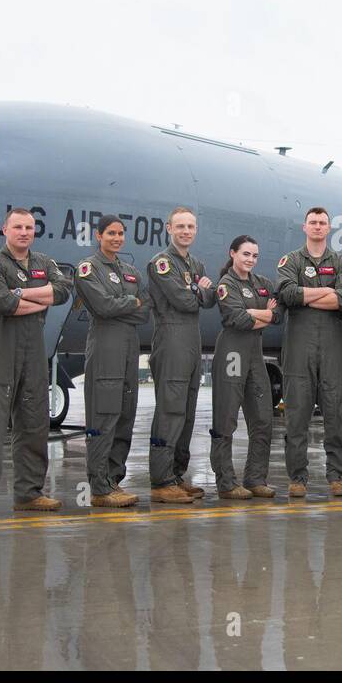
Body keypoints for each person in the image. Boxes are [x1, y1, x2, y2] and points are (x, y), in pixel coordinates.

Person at [0, 207, 73, 517]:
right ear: (5, 230)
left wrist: (21, 295)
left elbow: (63, 292)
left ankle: (28, 493)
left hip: (33, 350)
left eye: (29, 227)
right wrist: (38, 301)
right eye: (18, 227)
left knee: (34, 422)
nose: (24, 232)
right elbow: (0, 301)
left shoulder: (43, 263)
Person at [276, 207, 342, 498]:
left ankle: (337, 476)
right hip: (300, 346)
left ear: (329, 228)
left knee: (337, 412)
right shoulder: (291, 260)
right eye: (313, 222)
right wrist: (327, 293)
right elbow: (286, 292)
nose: (318, 227)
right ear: (304, 227)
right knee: (297, 414)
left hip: (333, 346)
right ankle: (297, 478)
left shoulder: (341, 262)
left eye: (323, 223)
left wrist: (306, 297)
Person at [74, 215, 150, 509]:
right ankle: (99, 486)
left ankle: (114, 479)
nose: (117, 238)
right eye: (111, 233)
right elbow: (103, 307)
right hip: (106, 346)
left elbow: (144, 314)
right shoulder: (88, 269)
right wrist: (131, 304)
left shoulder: (130, 271)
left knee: (125, 415)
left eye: (120, 233)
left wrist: (126, 307)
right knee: (103, 415)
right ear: (98, 236)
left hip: (130, 346)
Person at [145, 206, 216, 504]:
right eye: (180, 226)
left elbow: (210, 299)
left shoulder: (195, 263)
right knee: (170, 410)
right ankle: (161, 481)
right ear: (169, 229)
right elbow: (185, 301)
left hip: (191, 340)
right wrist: (198, 291)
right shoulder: (161, 263)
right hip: (171, 337)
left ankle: (176, 475)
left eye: (191, 227)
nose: (186, 231)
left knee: (186, 412)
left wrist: (199, 292)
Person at [211, 235, 284, 499]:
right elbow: (236, 318)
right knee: (226, 418)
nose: (250, 260)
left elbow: (278, 315)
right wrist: (261, 314)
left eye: (254, 256)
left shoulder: (262, 284)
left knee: (263, 418)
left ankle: (255, 479)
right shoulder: (225, 284)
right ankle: (227, 482)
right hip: (232, 352)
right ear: (233, 254)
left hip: (255, 353)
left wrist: (255, 314)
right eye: (245, 254)